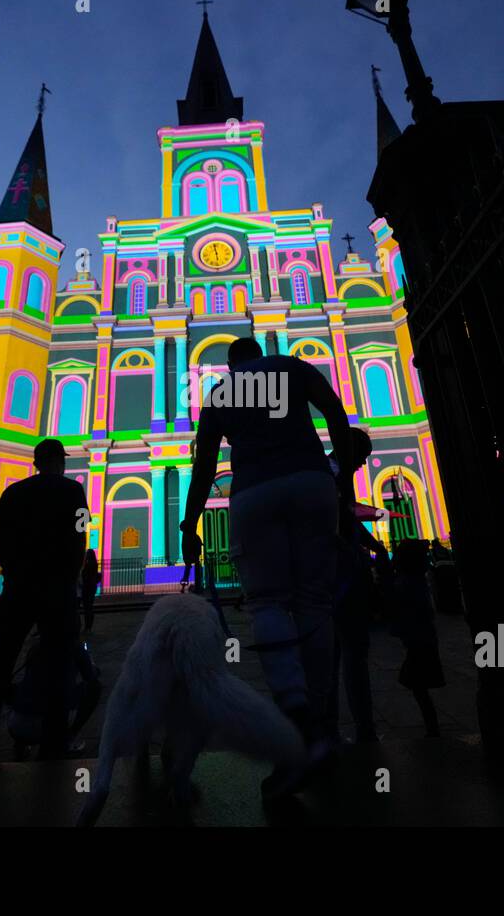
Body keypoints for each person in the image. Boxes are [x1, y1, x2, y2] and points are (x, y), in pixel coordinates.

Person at [180, 336, 353, 799]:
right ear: (259, 353)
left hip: (254, 490)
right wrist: (347, 483)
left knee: (268, 602)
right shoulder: (292, 367)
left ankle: (297, 718)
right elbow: (336, 413)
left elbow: (203, 464)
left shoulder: (220, 392)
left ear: (233, 362)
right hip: (312, 480)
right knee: (316, 601)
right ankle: (325, 727)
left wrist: (190, 523)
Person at [0, 438, 87, 762]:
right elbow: (79, 537)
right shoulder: (72, 491)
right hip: (57, 591)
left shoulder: (14, 493)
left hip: (19, 590)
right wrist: (68, 577)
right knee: (59, 668)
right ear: (59, 462)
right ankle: (53, 745)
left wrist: (16, 569)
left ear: (35, 462)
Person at [325, 427, 384, 744]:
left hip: (340, 573)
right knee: (341, 654)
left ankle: (358, 727)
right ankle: (345, 729)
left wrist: (374, 545)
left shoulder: (335, 475)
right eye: (361, 459)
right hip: (335, 576)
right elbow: (341, 520)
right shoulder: (326, 476)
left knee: (344, 653)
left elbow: (349, 517)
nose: (362, 466)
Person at [5, 637, 102, 757]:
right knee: (95, 688)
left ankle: (20, 744)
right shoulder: (75, 647)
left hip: (16, 727)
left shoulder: (35, 647)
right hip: (50, 726)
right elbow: (92, 676)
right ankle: (69, 737)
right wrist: (89, 662)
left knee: (28, 688)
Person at [389, 539, 445, 737]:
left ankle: (433, 728)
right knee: (417, 685)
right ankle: (432, 727)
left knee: (416, 684)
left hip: (418, 641)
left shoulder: (406, 584)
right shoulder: (417, 582)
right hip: (423, 639)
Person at [80, 549, 101, 633]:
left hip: (87, 588)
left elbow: (84, 575)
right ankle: (88, 626)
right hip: (92, 587)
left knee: (87, 608)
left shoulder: (88, 564)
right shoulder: (94, 564)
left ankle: (87, 626)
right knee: (89, 607)